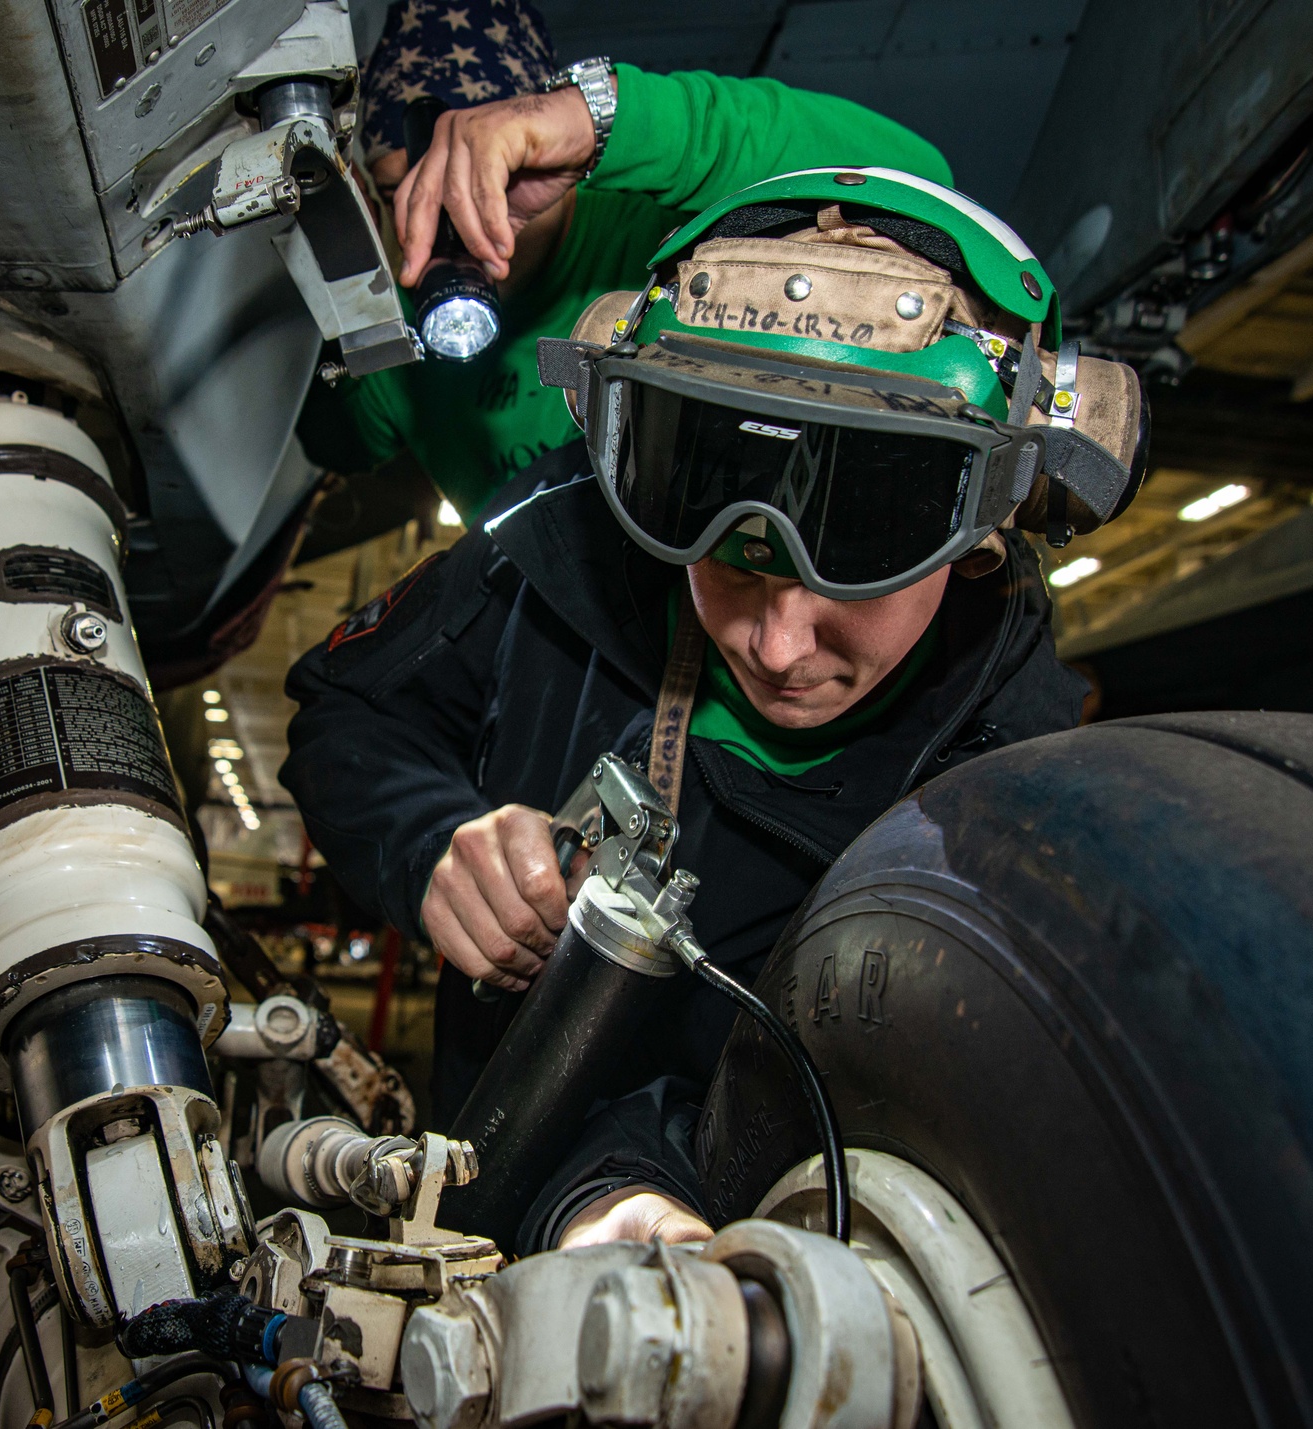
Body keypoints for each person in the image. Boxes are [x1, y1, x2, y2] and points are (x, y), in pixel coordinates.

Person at [282, 169, 1148, 1251]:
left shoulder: (1008, 804)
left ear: (978, 531)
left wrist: (621, 1188)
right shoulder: (561, 536)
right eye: (732, 563)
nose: (778, 648)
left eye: (855, 576)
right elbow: (349, 710)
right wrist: (431, 845)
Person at [304, 0, 952, 523]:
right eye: (403, 194)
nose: (447, 223)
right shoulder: (407, 327)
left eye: (480, 181)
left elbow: (918, 183)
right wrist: (336, 265)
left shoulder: (660, 234)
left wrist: (605, 120)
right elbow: (334, 442)